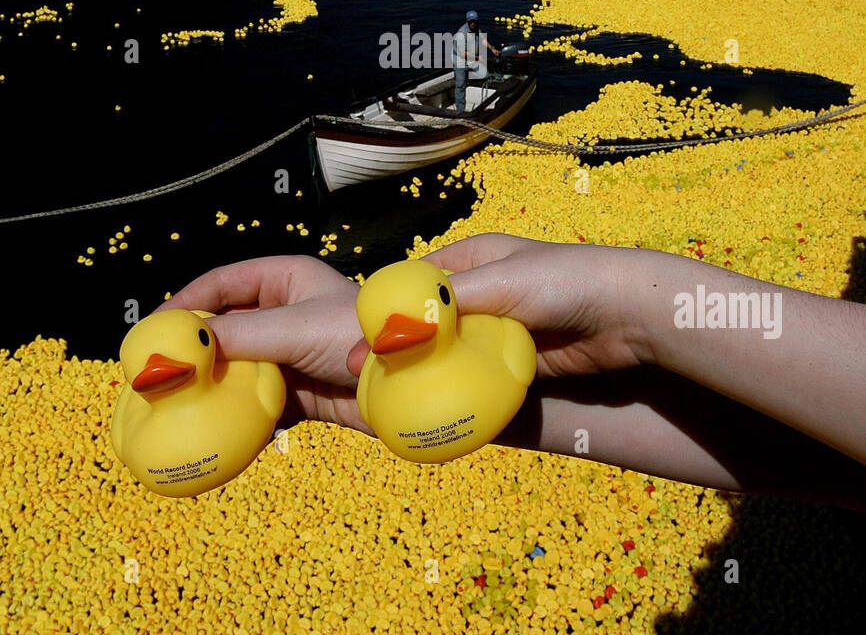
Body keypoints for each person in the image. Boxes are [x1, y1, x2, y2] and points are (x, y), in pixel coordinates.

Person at [163, 235, 866, 511]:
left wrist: (627, 304)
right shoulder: (375, 377)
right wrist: (630, 322)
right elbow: (833, 454)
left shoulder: (497, 341)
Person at [451, 9, 499, 113]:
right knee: (460, 85)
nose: (473, 23)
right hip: (460, 61)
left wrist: (492, 48)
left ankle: (484, 102)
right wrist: (478, 58)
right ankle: (460, 111)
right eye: (470, 22)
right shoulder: (461, 33)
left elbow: (482, 39)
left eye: (474, 21)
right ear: (467, 22)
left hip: (472, 60)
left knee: (485, 76)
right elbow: (462, 53)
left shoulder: (477, 28)